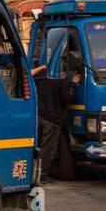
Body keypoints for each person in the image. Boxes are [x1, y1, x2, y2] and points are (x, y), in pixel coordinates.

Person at [30, 48, 82, 180]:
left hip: (39, 117)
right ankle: (41, 176)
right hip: (52, 121)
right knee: (47, 150)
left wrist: (42, 67)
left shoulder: (40, 79)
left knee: (36, 148)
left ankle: (32, 174)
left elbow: (28, 74)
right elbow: (67, 99)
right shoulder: (63, 82)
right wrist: (74, 84)